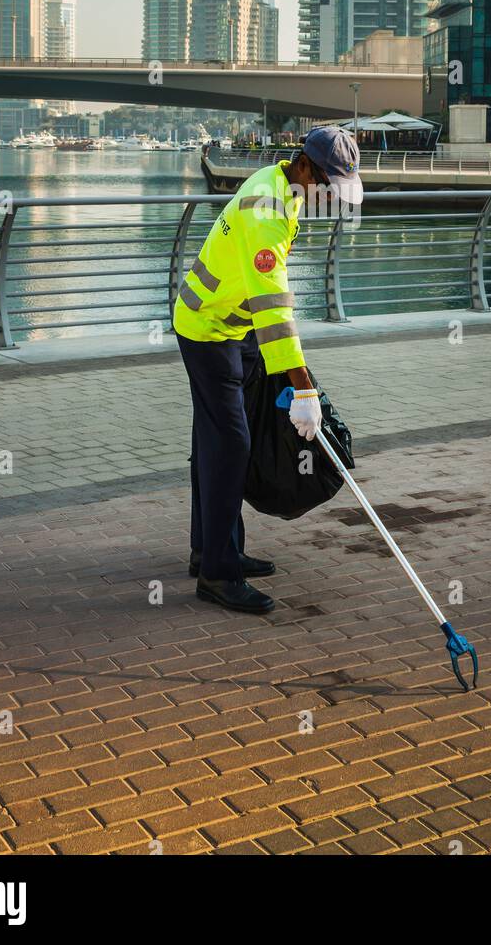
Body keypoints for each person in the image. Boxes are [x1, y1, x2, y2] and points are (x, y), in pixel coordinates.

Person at [173, 126, 363, 614]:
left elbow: (266, 306)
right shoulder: (266, 213)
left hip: (236, 328)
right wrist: (303, 392)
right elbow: (275, 311)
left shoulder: (285, 187)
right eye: (329, 185)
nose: (331, 197)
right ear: (305, 166)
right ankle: (217, 574)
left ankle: (211, 549)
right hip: (209, 330)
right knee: (231, 442)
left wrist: (294, 379)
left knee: (215, 440)